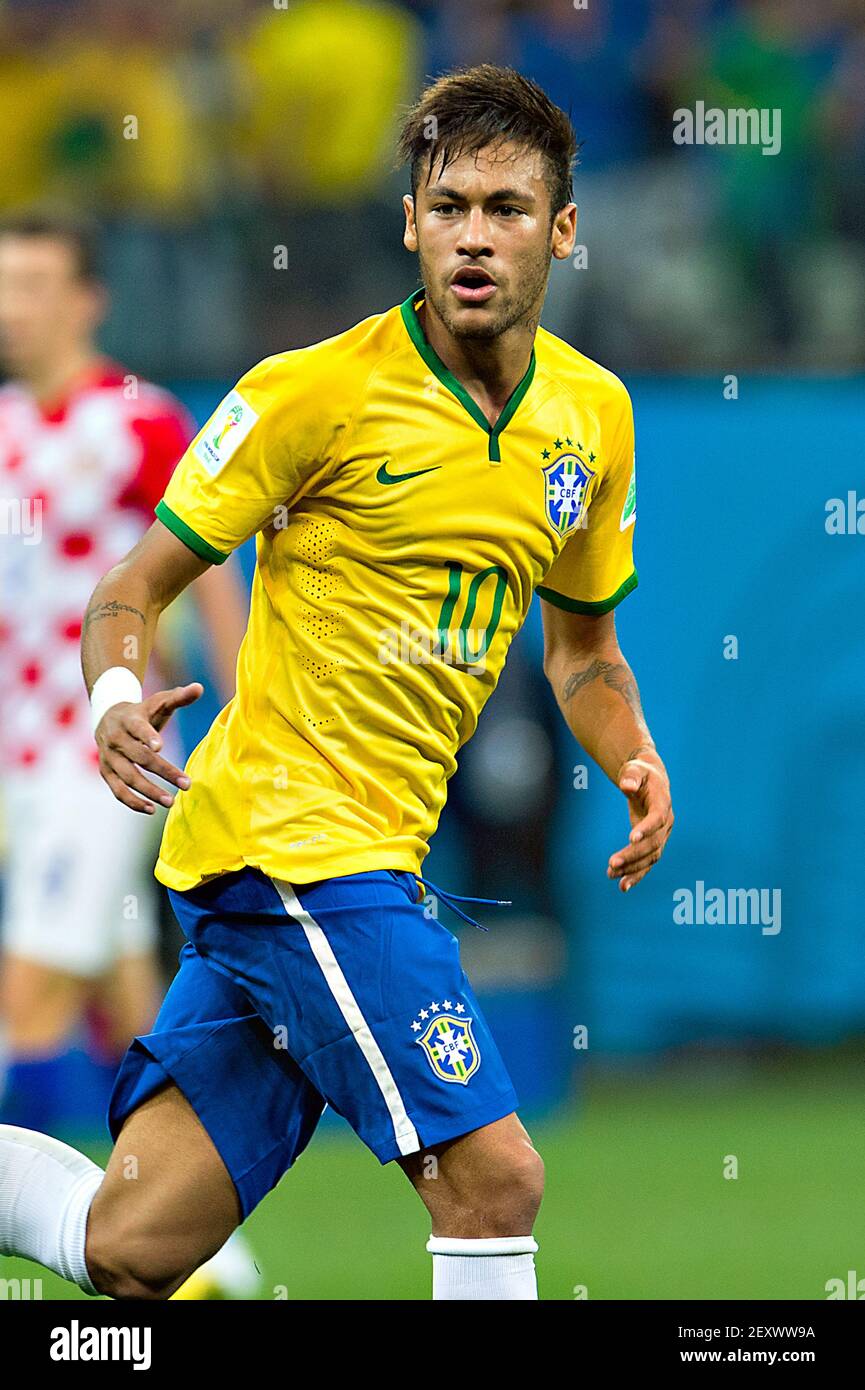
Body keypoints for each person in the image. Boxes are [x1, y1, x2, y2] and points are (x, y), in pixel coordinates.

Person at [0, 67, 674, 1302]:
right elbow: (126, 593)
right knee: (494, 1179)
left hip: (349, 864)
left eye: (510, 209)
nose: (476, 233)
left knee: (129, 1245)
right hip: (295, 846)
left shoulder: (594, 417)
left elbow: (583, 652)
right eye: (450, 203)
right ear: (410, 221)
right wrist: (111, 704)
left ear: (564, 230)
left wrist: (627, 751)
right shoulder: (308, 392)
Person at [0, 210, 255, 1297]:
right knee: (125, 996)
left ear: (88, 298)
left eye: (35, 282)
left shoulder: (142, 422)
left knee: (26, 1002)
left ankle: (70, 1246)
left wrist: (247, 709)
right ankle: (218, 1257)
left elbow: (205, 571)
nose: (14, 303)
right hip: (19, 757)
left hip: (104, 754)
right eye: (2, 282)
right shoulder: (5, 426)